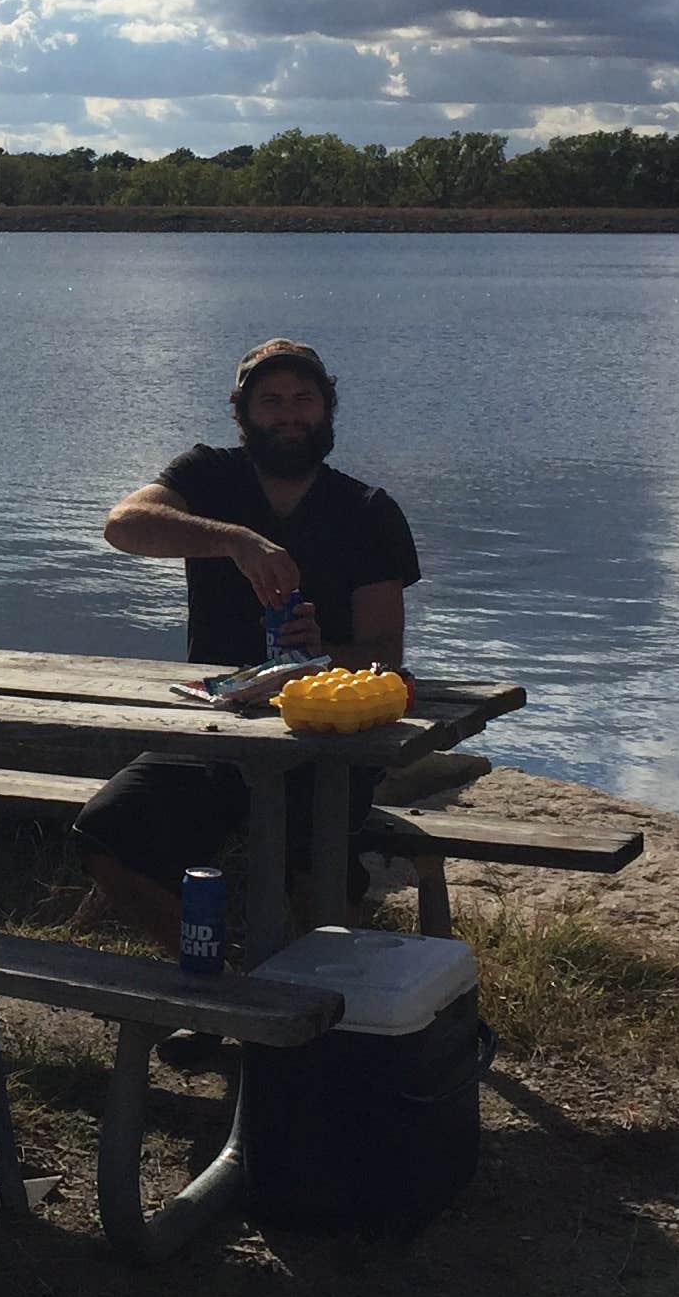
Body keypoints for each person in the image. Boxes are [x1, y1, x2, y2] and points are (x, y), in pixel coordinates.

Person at [74, 338, 421, 954]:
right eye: (271, 401)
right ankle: (205, 976)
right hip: (213, 732)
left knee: (319, 871)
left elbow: (384, 655)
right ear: (242, 413)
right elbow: (122, 525)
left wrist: (323, 657)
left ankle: (326, 1010)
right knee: (106, 834)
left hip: (327, 743)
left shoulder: (368, 511)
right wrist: (235, 540)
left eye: (304, 399)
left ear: (327, 409)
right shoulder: (208, 477)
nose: (289, 413)